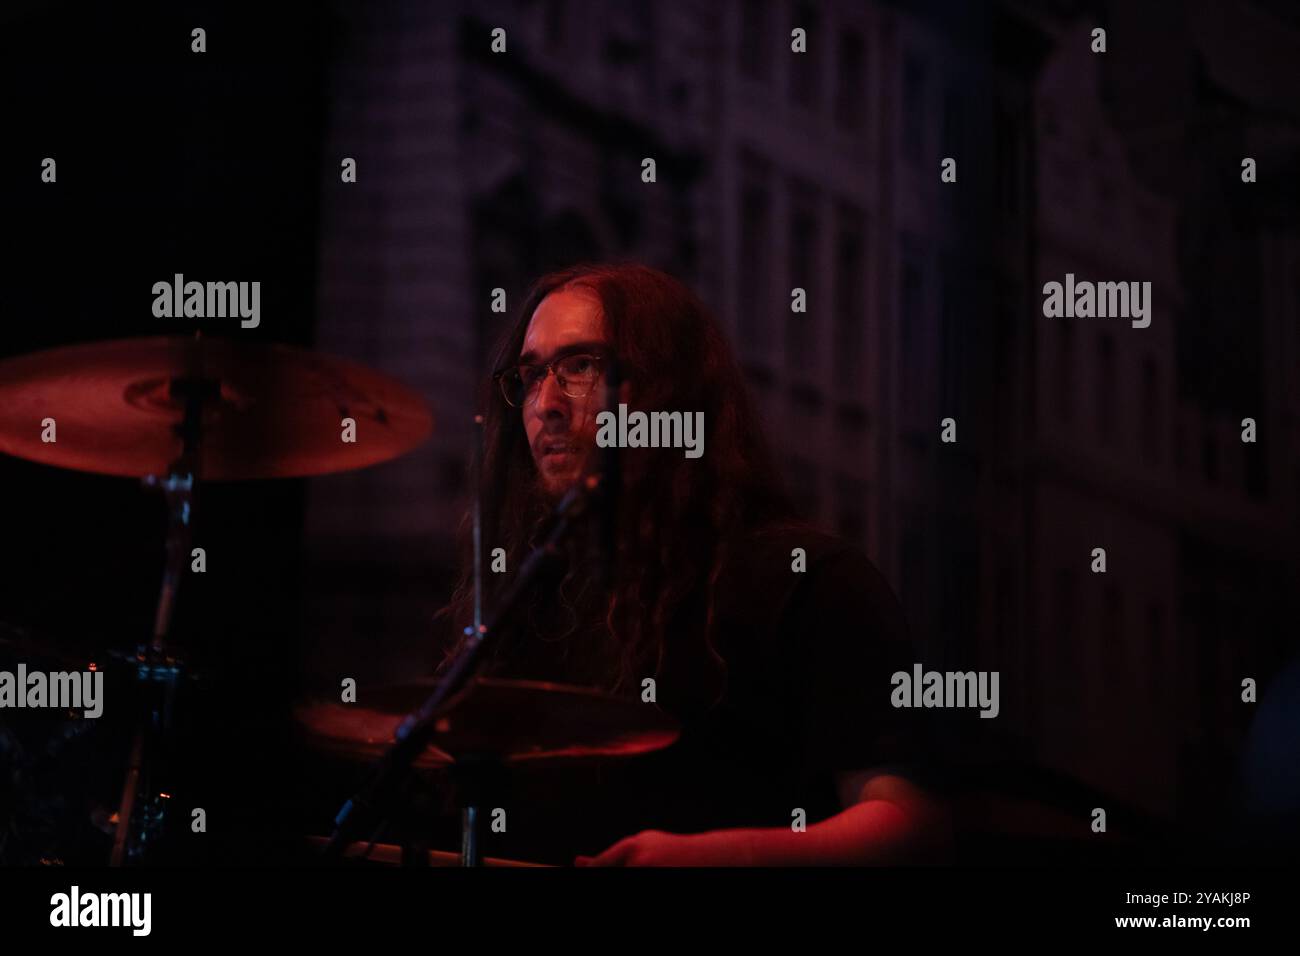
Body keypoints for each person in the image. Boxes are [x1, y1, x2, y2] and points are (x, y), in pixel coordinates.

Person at [433, 261, 948, 866]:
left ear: (663, 389)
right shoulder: (533, 595)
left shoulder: (810, 580)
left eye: (579, 366)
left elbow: (910, 825)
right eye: (530, 373)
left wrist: (719, 858)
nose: (545, 402)